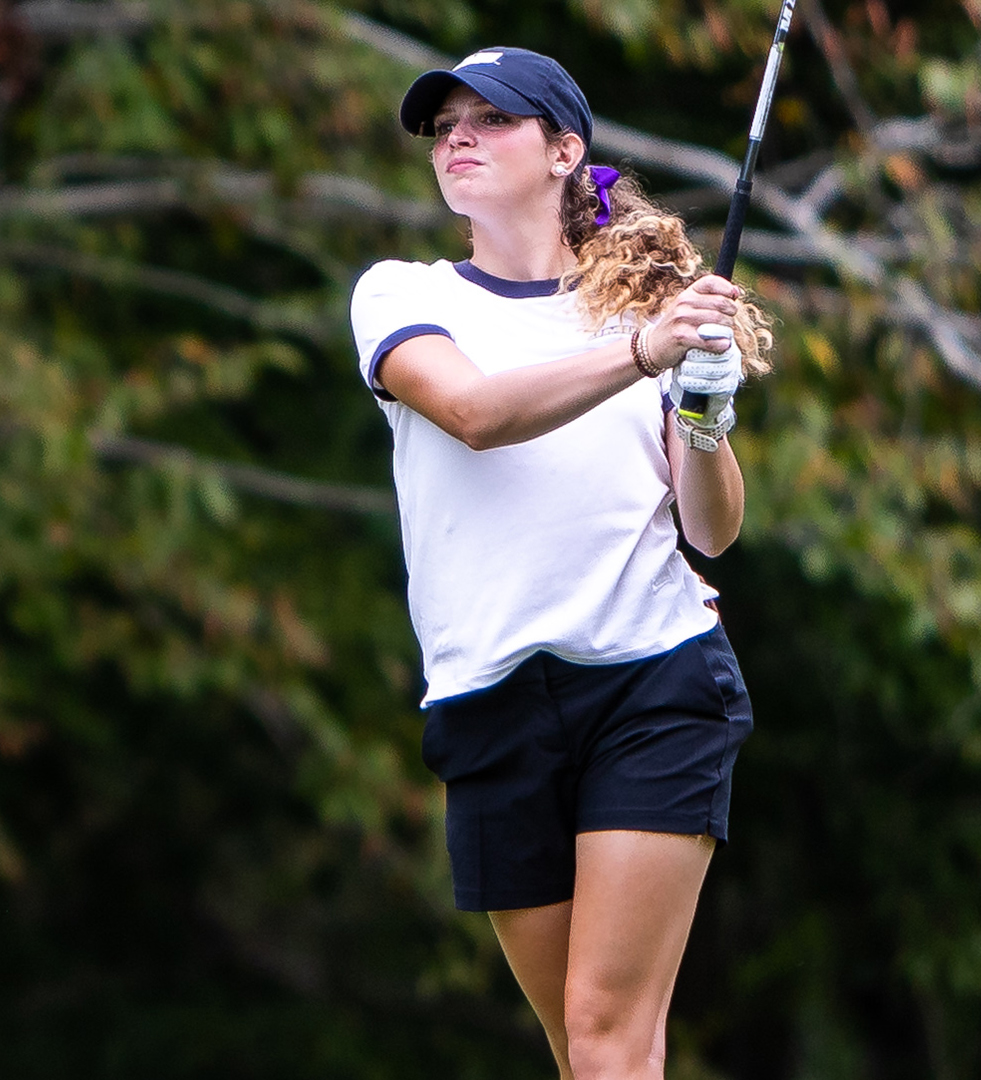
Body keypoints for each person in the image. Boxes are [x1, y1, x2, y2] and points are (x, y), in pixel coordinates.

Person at [349, 46, 772, 1080]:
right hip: (490, 699)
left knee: (606, 1032)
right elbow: (476, 415)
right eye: (443, 125)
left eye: (488, 120)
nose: (457, 138)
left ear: (563, 150)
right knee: (581, 1046)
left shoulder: (643, 311)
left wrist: (705, 411)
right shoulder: (403, 294)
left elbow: (711, 531)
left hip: (652, 678)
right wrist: (644, 357)